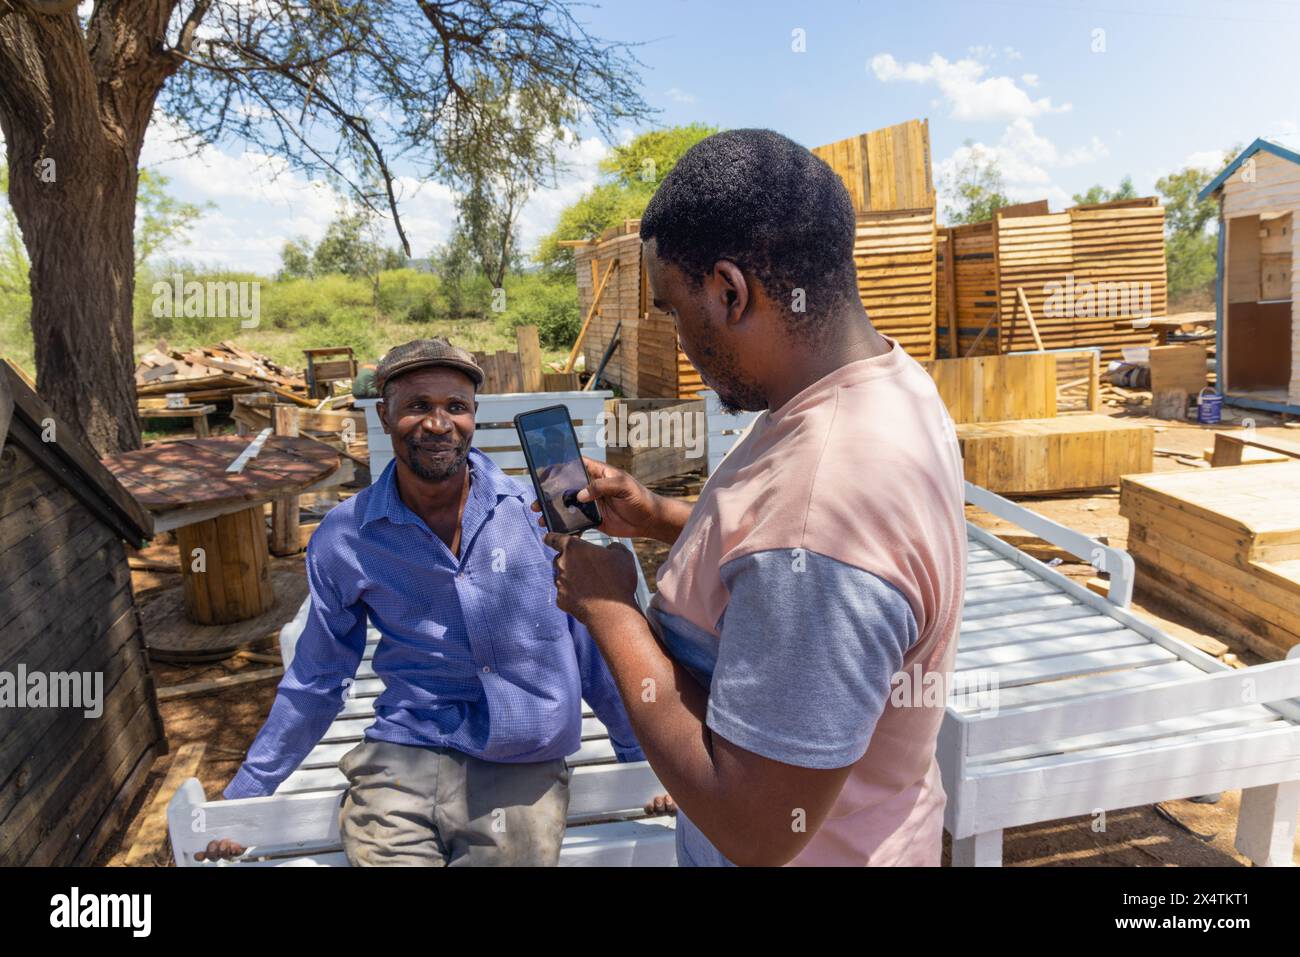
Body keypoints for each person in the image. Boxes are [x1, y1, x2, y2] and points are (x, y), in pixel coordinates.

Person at [541, 129, 967, 866]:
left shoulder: (827, 503)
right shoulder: (878, 386)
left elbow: (756, 825)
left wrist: (610, 610)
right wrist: (661, 516)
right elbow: (771, 571)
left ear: (730, 292)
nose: (678, 340)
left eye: (674, 310)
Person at [206, 338, 647, 867]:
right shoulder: (346, 537)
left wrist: (639, 760)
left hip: (521, 760)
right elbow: (319, 677)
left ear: (473, 417)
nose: (438, 424)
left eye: (454, 407)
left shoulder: (538, 517)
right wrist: (249, 792)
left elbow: (589, 643)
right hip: (404, 756)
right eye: (417, 406)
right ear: (384, 415)